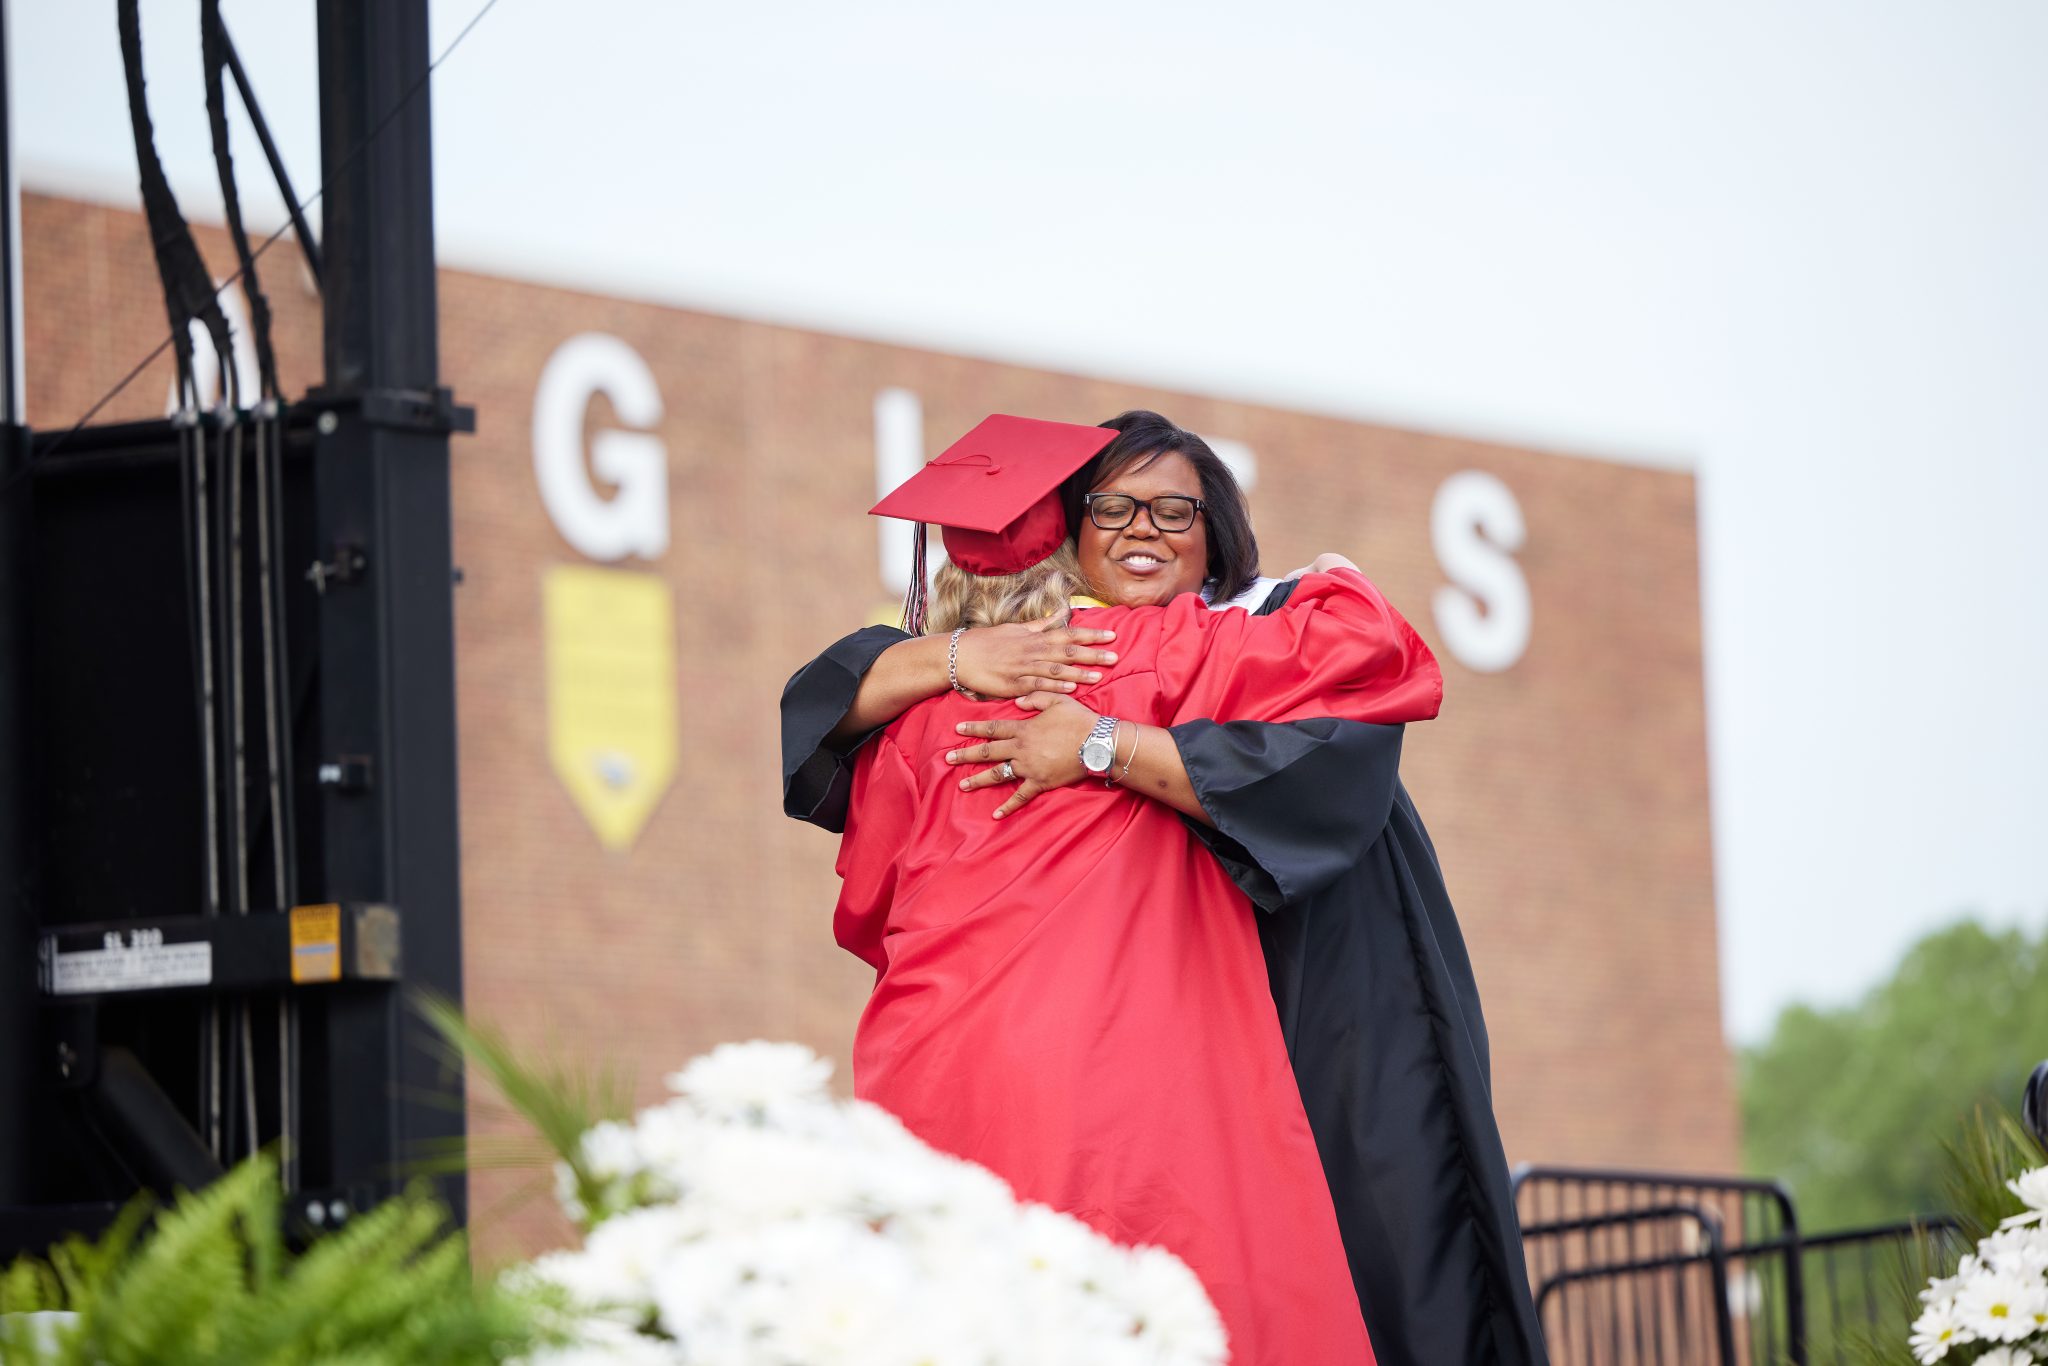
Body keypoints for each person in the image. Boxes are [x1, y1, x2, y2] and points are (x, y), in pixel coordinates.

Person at [783, 410, 1550, 1366]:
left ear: (1214, 531)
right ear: (1069, 529)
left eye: (1174, 511)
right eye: (1114, 507)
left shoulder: (917, 721)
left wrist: (978, 683)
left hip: (937, 1075)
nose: (1144, 528)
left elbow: (866, 895)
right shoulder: (1184, 654)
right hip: (1141, 1084)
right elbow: (1373, 642)